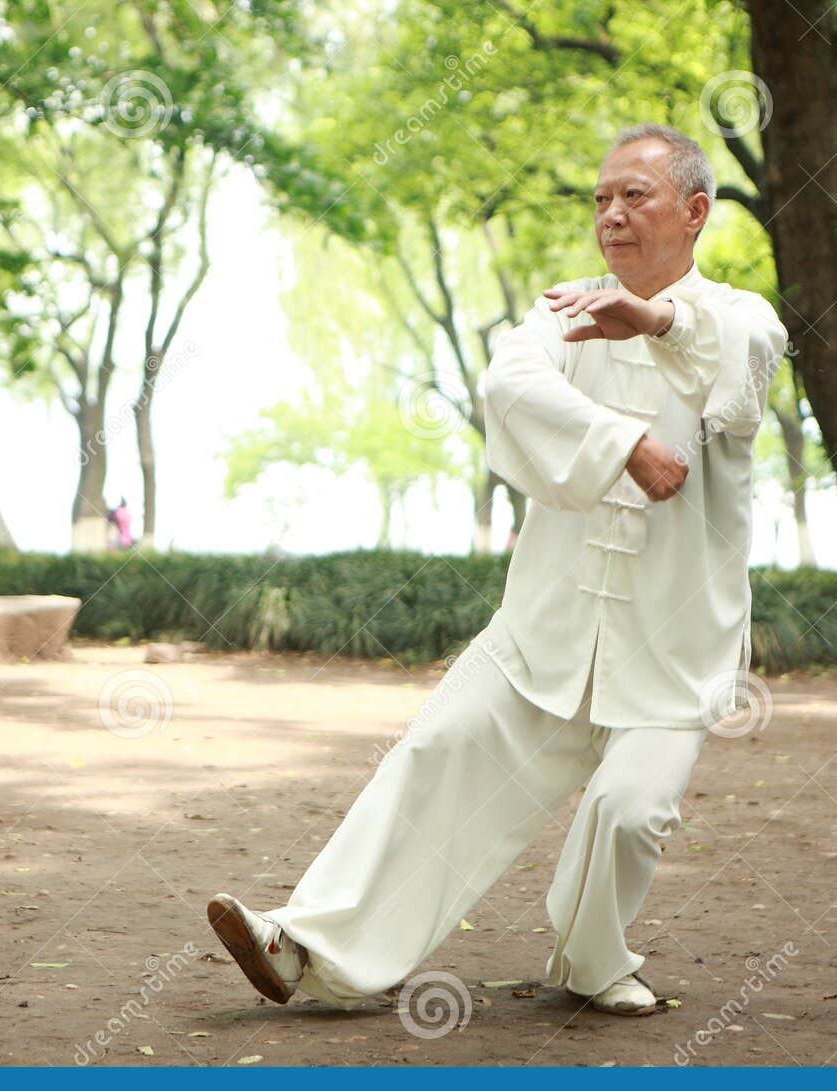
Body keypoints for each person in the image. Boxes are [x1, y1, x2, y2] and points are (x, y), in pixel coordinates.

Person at [208, 124, 789, 1016]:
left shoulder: (738, 315)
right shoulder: (562, 313)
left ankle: (592, 960)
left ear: (696, 210)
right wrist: (623, 441)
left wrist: (657, 318)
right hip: (546, 631)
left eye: (634, 195)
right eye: (601, 198)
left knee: (630, 812)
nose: (611, 214)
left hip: (675, 641)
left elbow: (741, 370)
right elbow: (510, 386)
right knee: (434, 750)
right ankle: (302, 942)